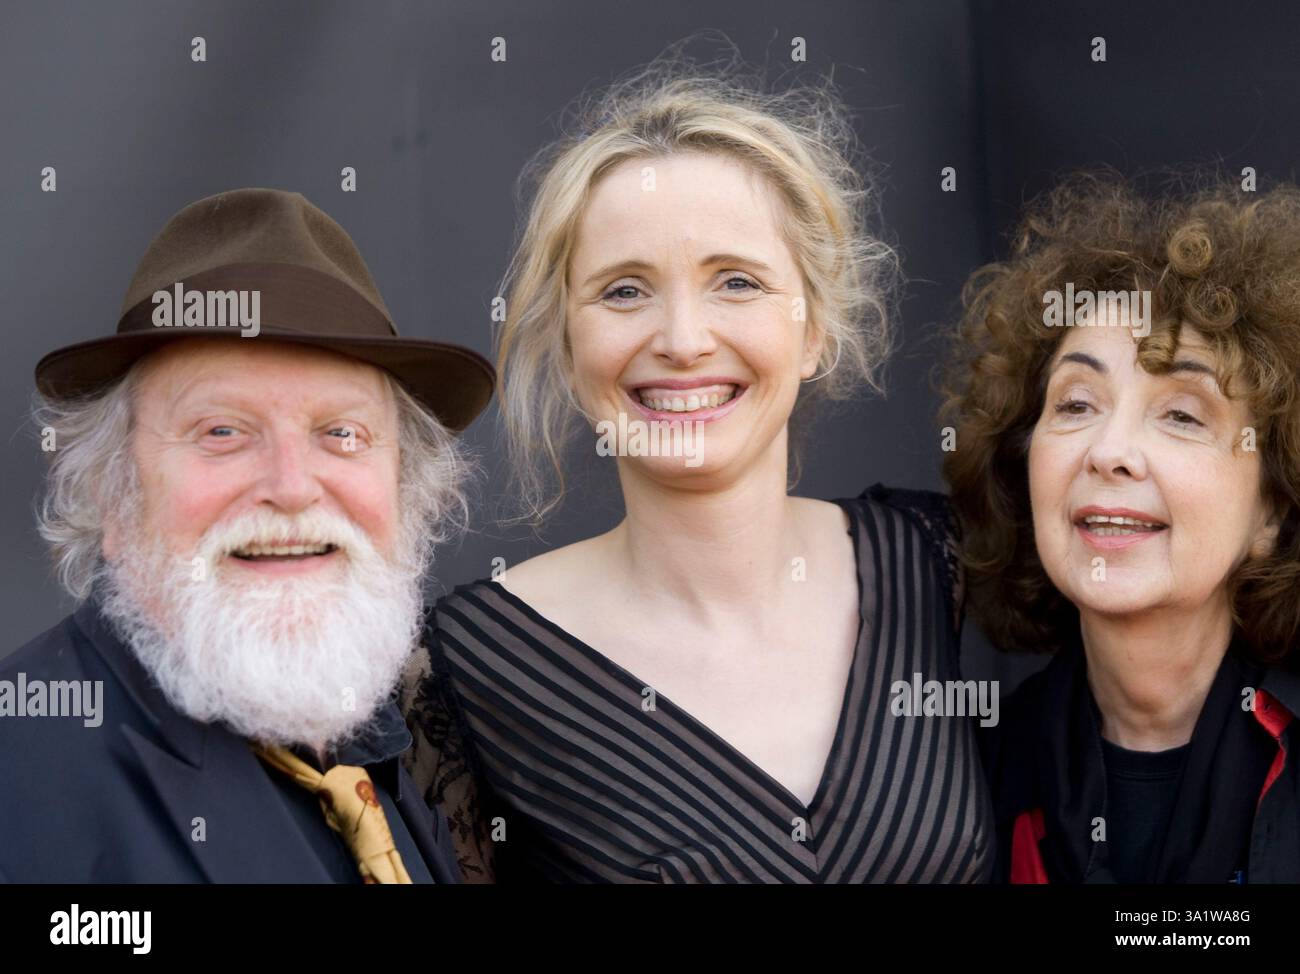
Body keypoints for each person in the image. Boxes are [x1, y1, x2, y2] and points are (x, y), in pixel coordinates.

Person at [401, 56, 995, 883]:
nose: (682, 339)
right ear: (570, 350)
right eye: (623, 292)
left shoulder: (938, 564)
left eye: (737, 282)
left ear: (814, 328)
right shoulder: (463, 671)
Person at [0, 187, 494, 883]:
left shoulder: (377, 750)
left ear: (405, 488)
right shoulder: (18, 775)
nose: (292, 487)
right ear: (113, 495)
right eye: (222, 432)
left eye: (342, 434)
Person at [944, 172, 1300, 883]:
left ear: (1270, 511)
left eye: (1182, 415)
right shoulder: (961, 781)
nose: (1108, 452)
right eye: (1076, 404)